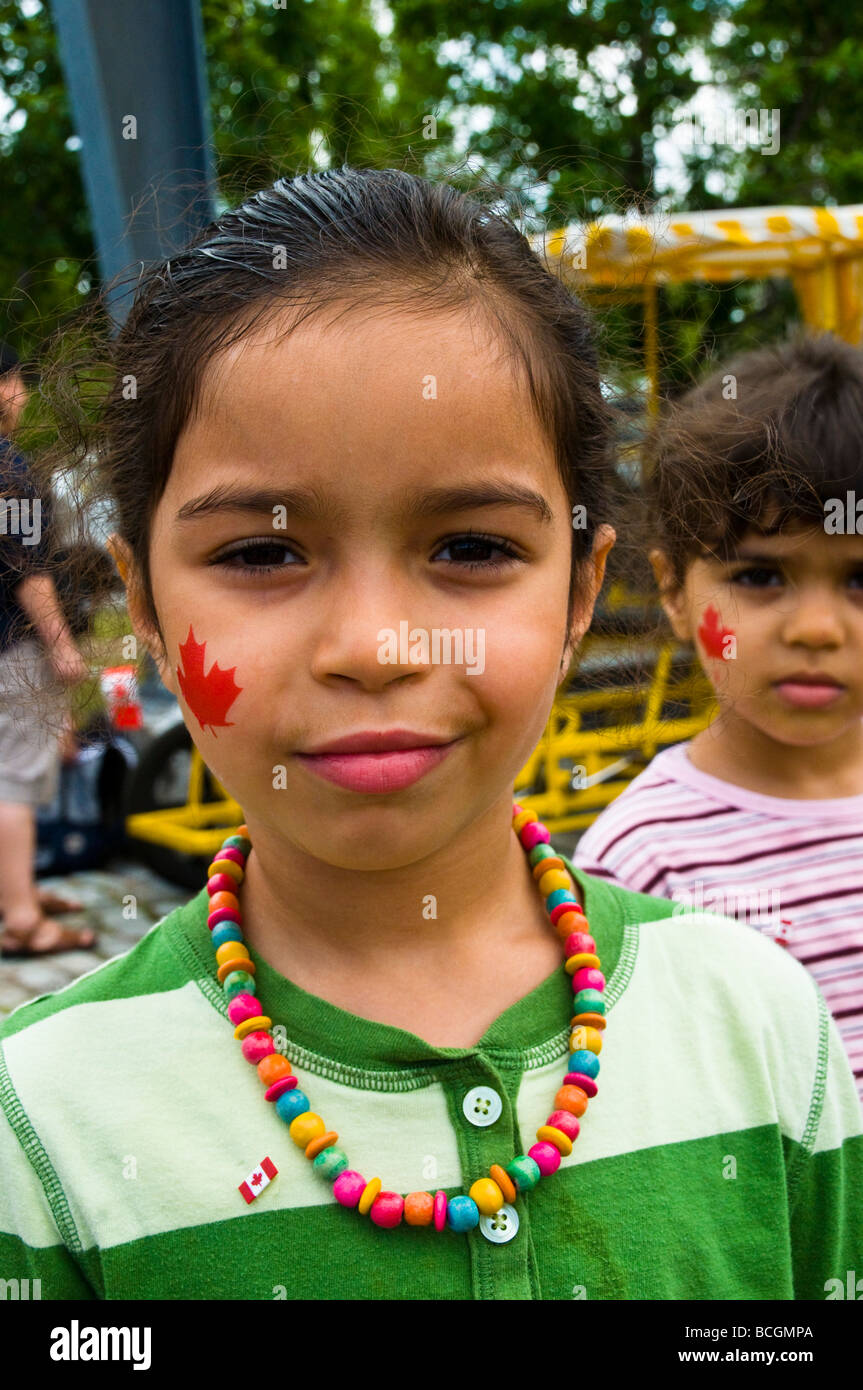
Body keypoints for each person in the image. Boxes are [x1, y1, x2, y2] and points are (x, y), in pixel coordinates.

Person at [0, 171, 859, 1301]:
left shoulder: (756, 1021)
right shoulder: (45, 1121)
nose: (374, 644)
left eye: (469, 547)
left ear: (578, 592)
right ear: (146, 609)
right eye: (261, 554)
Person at [574, 335, 863, 1105]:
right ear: (673, 591)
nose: (815, 629)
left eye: (858, 580)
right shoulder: (644, 864)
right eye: (759, 576)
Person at [0, 343, 94, 956]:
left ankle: (16, 892)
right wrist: (61, 647)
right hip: (13, 650)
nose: (24, 394)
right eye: (17, 380)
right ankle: (24, 922)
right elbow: (29, 571)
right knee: (14, 781)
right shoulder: (9, 468)